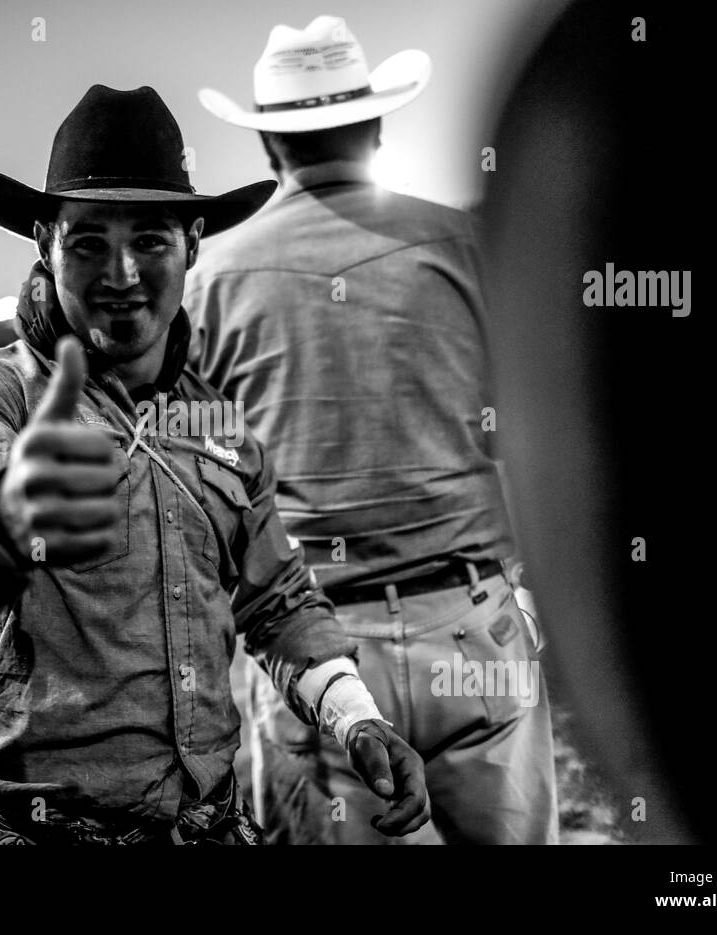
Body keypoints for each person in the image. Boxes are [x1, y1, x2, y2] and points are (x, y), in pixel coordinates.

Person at [0, 84, 431, 844]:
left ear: (193, 244)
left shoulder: (221, 425)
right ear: (44, 241)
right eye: (88, 242)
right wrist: (2, 516)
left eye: (149, 240)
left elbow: (276, 602)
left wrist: (354, 715)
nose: (122, 274)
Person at [186, 16, 557, 844]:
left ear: (269, 146)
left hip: (315, 652)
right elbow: (533, 438)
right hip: (471, 627)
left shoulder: (210, 282)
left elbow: (199, 484)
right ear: (378, 127)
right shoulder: (467, 244)